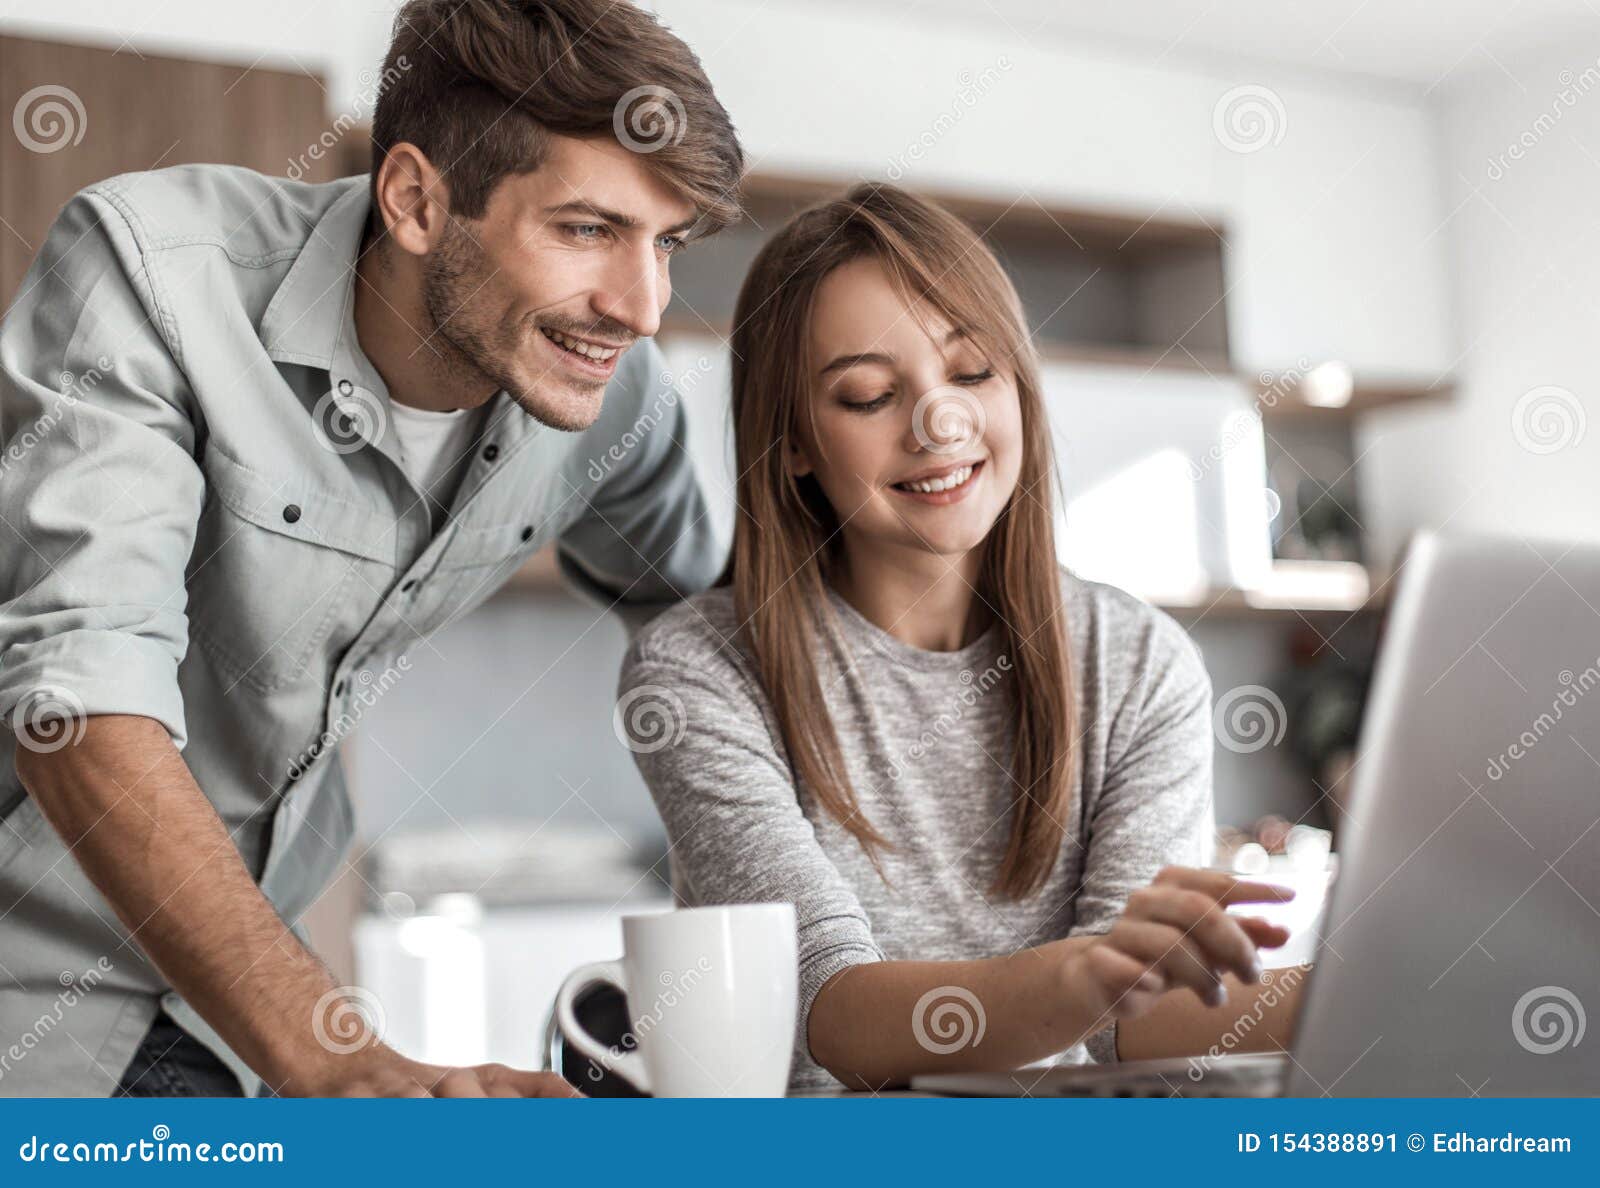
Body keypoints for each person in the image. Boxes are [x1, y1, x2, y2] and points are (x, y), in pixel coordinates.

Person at [0, 0, 742, 1097]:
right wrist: (345, 1065)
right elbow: (82, 698)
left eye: (665, 241)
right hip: (36, 984)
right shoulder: (154, 273)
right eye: (586, 229)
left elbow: (724, 636)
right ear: (416, 200)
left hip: (246, 1003)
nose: (642, 305)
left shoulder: (610, 395)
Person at [618, 183, 1304, 1092]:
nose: (940, 425)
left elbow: (1141, 1025)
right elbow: (831, 1012)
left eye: (973, 372)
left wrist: (1385, 991)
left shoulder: (1138, 663)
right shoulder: (697, 671)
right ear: (791, 442)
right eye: (867, 395)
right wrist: (1083, 975)